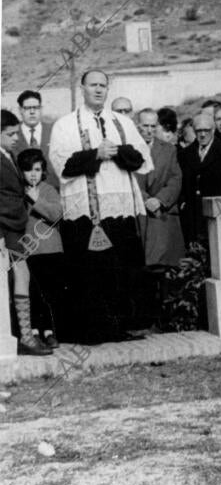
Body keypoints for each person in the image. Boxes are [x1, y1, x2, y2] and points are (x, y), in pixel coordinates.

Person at [48, 70, 153, 344]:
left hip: (118, 209)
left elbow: (142, 158)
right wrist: (96, 154)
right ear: (81, 87)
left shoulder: (122, 122)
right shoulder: (65, 124)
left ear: (108, 89)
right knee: (88, 271)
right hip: (84, 213)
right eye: (93, 85)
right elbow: (62, 164)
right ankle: (89, 331)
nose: (98, 90)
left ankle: (122, 327)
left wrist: (117, 152)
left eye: (103, 86)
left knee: (120, 269)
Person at [0, 111, 51, 355]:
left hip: (14, 226)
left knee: (22, 275)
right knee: (21, 274)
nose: (15, 138)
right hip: (5, 227)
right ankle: (25, 337)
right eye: (9, 134)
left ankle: (25, 335)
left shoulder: (8, 155)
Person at [17, 148, 67, 346]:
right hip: (29, 250)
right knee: (33, 293)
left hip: (51, 250)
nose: (33, 174)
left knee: (50, 293)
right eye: (28, 170)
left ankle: (50, 331)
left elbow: (56, 214)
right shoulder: (18, 192)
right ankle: (35, 331)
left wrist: (37, 200)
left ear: (43, 171)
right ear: (21, 172)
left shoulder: (47, 190)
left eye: (37, 169)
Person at [178, 110, 221, 244]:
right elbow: (182, 181)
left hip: (218, 211)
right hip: (193, 212)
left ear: (213, 129)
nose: (202, 134)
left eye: (207, 130)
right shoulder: (185, 154)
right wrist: (183, 202)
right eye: (199, 130)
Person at [136, 109, 185, 267]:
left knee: (165, 267)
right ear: (138, 126)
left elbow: (175, 178)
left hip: (162, 215)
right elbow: (127, 180)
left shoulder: (169, 149)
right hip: (139, 214)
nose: (149, 130)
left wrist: (160, 199)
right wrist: (145, 199)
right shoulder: (128, 149)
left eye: (153, 125)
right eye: (145, 126)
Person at [14, 90, 58, 188]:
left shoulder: (54, 131)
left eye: (36, 107)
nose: (32, 112)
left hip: (53, 193)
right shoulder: (12, 134)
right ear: (20, 110)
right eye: (27, 108)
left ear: (41, 109)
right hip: (23, 195)